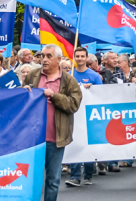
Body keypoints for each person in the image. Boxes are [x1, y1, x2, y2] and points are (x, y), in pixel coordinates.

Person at [21, 44, 82, 201]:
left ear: (59, 59)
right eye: (43, 56)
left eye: (49, 56)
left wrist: (54, 96)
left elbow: (74, 104)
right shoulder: (33, 76)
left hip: (55, 138)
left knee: (53, 180)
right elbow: (21, 100)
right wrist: (24, 92)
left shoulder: (69, 80)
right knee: (29, 178)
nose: (44, 59)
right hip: (32, 138)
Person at [65, 47, 102, 187]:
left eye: (82, 56)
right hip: (73, 115)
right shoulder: (68, 76)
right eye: (77, 56)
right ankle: (74, 176)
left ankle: (88, 174)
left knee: (88, 144)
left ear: (87, 58)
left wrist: (93, 89)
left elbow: (102, 95)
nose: (80, 58)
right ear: (74, 58)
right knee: (75, 144)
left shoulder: (94, 76)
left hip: (89, 116)